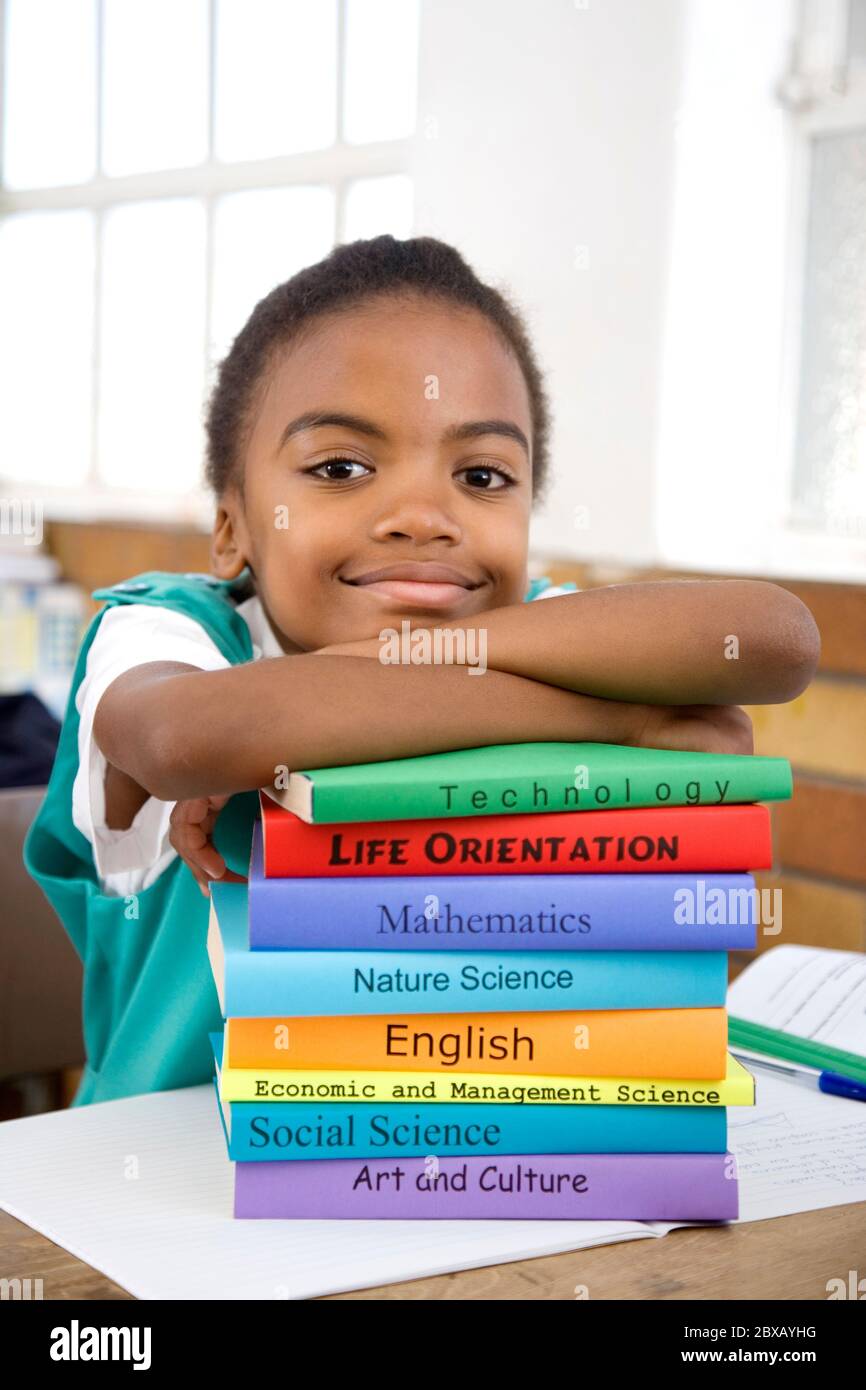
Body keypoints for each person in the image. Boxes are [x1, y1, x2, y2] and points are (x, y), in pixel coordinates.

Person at [25, 235, 820, 1106]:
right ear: (232, 528)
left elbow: (774, 638)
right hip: (159, 1198)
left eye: (482, 475)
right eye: (341, 468)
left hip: (467, 1166)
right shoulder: (164, 632)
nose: (422, 517)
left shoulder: (522, 630)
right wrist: (618, 723)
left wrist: (390, 660)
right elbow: (186, 736)